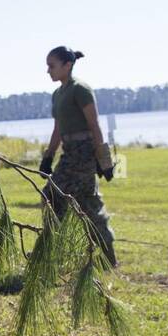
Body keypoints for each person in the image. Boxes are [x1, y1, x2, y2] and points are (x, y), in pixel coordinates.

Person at [38, 46, 117, 266]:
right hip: (69, 153)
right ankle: (66, 253)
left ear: (67, 65)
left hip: (83, 153)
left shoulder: (80, 89)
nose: (48, 71)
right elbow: (58, 129)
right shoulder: (58, 94)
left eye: (51, 66)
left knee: (68, 199)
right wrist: (48, 156)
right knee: (71, 200)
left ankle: (59, 254)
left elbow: (94, 125)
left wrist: (104, 161)